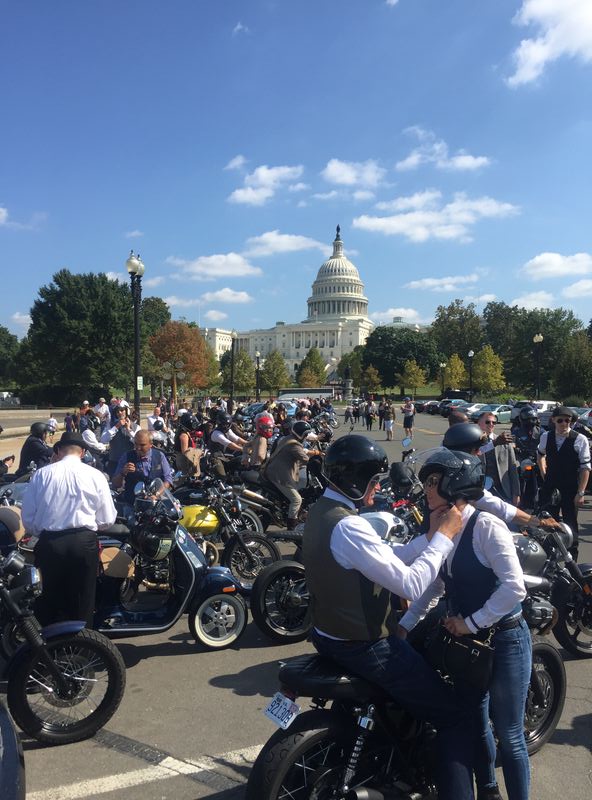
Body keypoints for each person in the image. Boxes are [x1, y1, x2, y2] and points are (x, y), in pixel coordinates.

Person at [303, 435, 476, 800]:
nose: (378, 486)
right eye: (374, 479)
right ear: (356, 479)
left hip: (327, 634)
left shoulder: (322, 513)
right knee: (454, 717)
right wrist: (443, 537)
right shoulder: (350, 526)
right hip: (364, 645)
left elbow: (383, 556)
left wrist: (427, 539)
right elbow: (412, 585)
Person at [400, 449, 530, 800]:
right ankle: (488, 790)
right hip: (469, 644)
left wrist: (471, 622)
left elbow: (514, 587)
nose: (425, 489)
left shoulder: (486, 526)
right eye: (425, 481)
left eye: (433, 482)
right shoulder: (444, 529)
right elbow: (434, 587)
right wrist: (403, 627)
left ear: (456, 484)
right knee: (476, 721)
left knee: (510, 733)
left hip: (504, 639)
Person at [21, 432, 116, 627]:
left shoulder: (41, 474)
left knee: (50, 601)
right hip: (83, 543)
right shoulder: (95, 475)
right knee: (82, 602)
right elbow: (107, 519)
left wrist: (45, 530)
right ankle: (82, 650)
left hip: (51, 544)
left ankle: (50, 651)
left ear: (58, 451)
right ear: (82, 452)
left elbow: (29, 519)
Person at [442, 424, 555, 531]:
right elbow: (498, 507)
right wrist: (539, 522)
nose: (479, 453)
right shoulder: (462, 481)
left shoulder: (440, 471)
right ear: (464, 451)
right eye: (476, 449)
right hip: (451, 536)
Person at [537, 405, 591, 560]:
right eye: (560, 420)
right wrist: (543, 471)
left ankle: (573, 559)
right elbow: (540, 454)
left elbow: (585, 468)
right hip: (550, 486)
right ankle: (548, 558)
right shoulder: (546, 436)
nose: (564, 424)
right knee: (547, 522)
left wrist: (581, 492)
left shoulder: (579, 439)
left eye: (567, 421)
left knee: (570, 523)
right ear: (553, 420)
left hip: (570, 487)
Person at [265, 421, 321, 530]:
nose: (306, 436)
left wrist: (315, 447)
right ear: (301, 434)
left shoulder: (288, 438)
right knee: (297, 499)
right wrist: (317, 459)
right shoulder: (294, 445)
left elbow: (302, 449)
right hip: (279, 476)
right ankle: (291, 527)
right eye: (305, 434)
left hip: (273, 470)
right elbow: (304, 458)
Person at [112, 430, 174, 506]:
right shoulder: (126, 457)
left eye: (142, 445)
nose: (138, 448)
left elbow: (168, 479)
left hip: (156, 503)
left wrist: (156, 495)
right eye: (136, 444)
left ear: (151, 444)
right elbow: (115, 484)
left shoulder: (159, 456)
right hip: (132, 503)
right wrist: (123, 473)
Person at [477, 411, 520, 505]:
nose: (491, 424)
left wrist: (516, 494)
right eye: (488, 422)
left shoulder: (505, 441)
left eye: (494, 422)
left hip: (502, 490)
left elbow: (513, 469)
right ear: (479, 423)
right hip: (480, 491)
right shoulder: (473, 442)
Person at [101, 404, 138, 477]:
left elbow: (137, 441)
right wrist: (116, 427)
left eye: (122, 410)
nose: (120, 413)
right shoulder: (110, 426)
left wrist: (129, 430)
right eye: (118, 411)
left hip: (129, 462)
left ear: (126, 411)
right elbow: (103, 440)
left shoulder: (136, 426)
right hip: (114, 461)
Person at [241, 412, 274, 482]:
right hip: (259, 468)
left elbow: (246, 445)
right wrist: (269, 458)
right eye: (267, 428)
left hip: (252, 465)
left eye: (270, 428)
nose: (269, 430)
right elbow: (260, 456)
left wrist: (245, 456)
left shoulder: (257, 436)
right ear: (261, 427)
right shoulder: (263, 439)